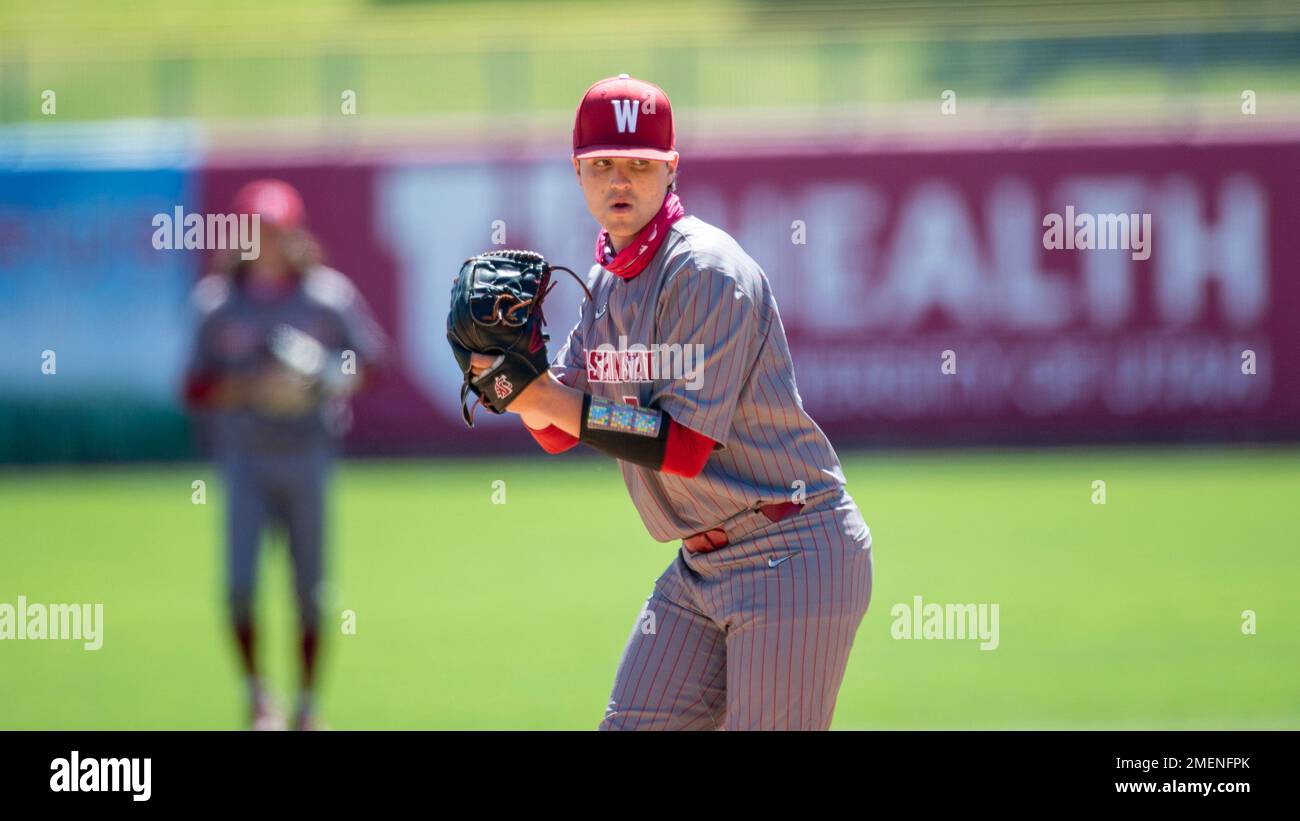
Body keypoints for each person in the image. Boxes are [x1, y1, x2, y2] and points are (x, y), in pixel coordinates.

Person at [471, 75, 874, 730]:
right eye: (602, 164)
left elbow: (682, 448)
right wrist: (514, 386)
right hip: (698, 564)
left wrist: (544, 396)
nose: (620, 181)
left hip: (792, 547)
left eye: (640, 164)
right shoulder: (607, 277)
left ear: (672, 170)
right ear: (577, 172)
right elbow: (559, 429)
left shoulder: (707, 272)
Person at [183, 179, 389, 730]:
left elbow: (368, 364)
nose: (268, 242)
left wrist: (320, 375)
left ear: (296, 234)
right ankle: (256, 694)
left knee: (311, 590)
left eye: (277, 231)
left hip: (307, 455)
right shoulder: (218, 304)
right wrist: (252, 387)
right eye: (257, 231)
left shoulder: (325, 296)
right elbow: (194, 387)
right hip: (245, 459)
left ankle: (306, 705)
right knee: (240, 585)